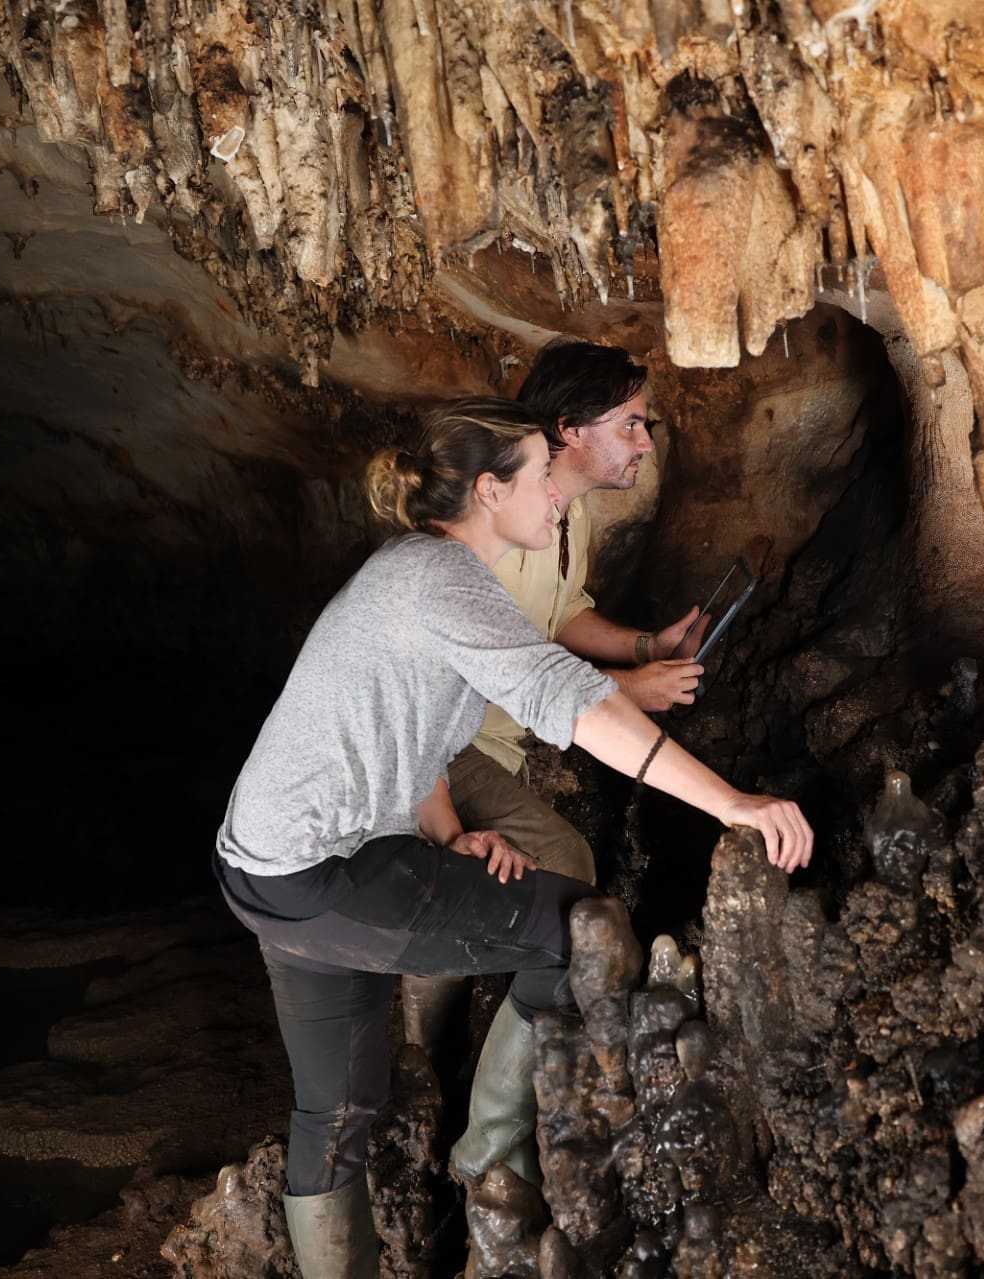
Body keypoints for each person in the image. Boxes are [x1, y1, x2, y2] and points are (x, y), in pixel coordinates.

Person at [213, 398, 812, 1279]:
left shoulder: (416, 571)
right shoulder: (443, 578)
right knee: (579, 929)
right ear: (489, 492)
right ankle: (488, 1152)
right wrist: (733, 804)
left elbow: (410, 737)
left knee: (335, 1110)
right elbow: (580, 705)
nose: (557, 493)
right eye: (539, 475)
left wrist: (451, 834)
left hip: (266, 864)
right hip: (322, 870)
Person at [400, 340, 704, 1053]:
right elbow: (504, 670)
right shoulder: (504, 527)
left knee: (534, 876)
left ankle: (468, 1043)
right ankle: (456, 1058)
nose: (645, 443)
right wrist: (629, 691)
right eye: (630, 424)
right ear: (570, 430)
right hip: (451, 742)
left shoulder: (570, 517)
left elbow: (560, 614)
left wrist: (644, 648)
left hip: (496, 742)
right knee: (565, 869)